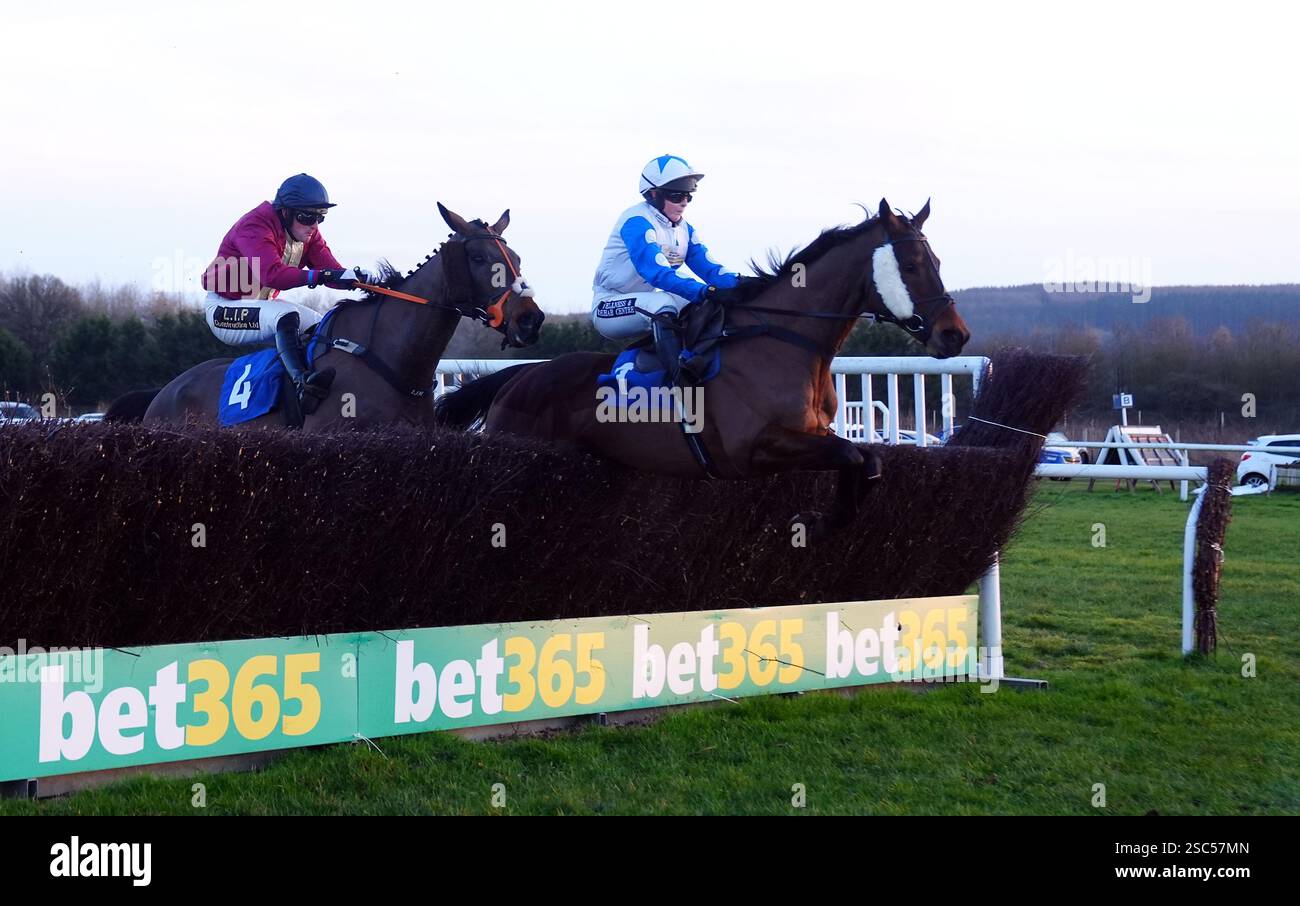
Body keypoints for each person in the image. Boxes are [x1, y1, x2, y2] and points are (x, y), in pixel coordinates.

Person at [201, 173, 369, 411]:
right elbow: (273, 274)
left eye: (321, 217)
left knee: (325, 326)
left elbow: (330, 271)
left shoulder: (306, 231)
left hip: (261, 307)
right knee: (286, 317)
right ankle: (302, 385)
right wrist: (323, 276)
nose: (314, 225)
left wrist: (359, 279)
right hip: (224, 310)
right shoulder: (255, 225)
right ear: (285, 212)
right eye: (307, 216)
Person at [591, 155, 739, 383]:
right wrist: (704, 291)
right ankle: (679, 379)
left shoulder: (684, 229)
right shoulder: (636, 221)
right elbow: (657, 273)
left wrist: (745, 283)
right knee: (665, 303)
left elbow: (712, 271)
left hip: (644, 302)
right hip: (609, 306)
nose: (684, 202)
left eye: (689, 194)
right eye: (676, 194)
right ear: (653, 194)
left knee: (709, 305)